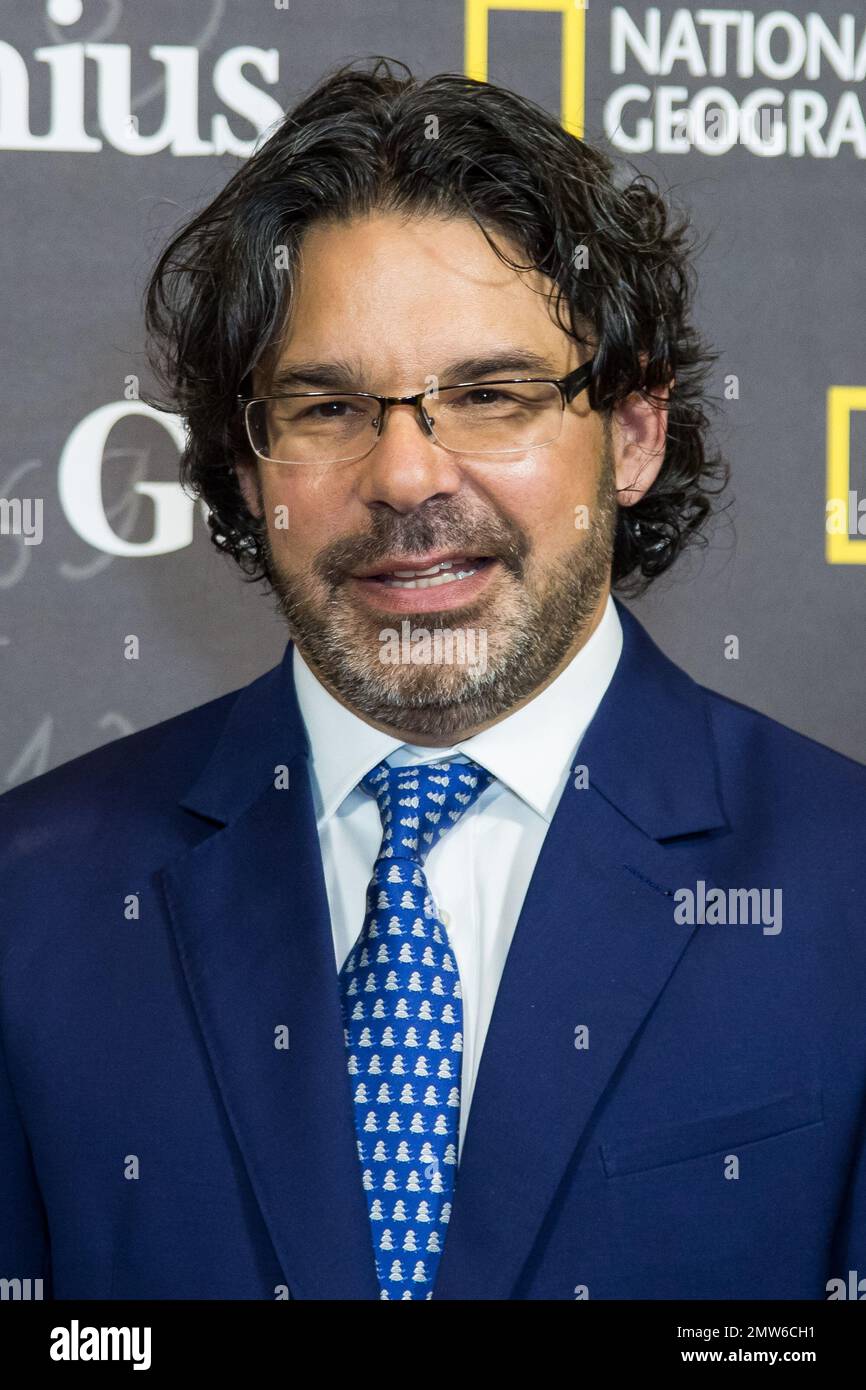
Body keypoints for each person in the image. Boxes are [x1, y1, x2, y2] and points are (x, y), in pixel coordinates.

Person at [2, 57, 865, 1303]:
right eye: (325, 407)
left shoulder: (842, 888)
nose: (405, 476)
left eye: (491, 394)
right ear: (247, 471)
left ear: (631, 434)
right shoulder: (37, 903)